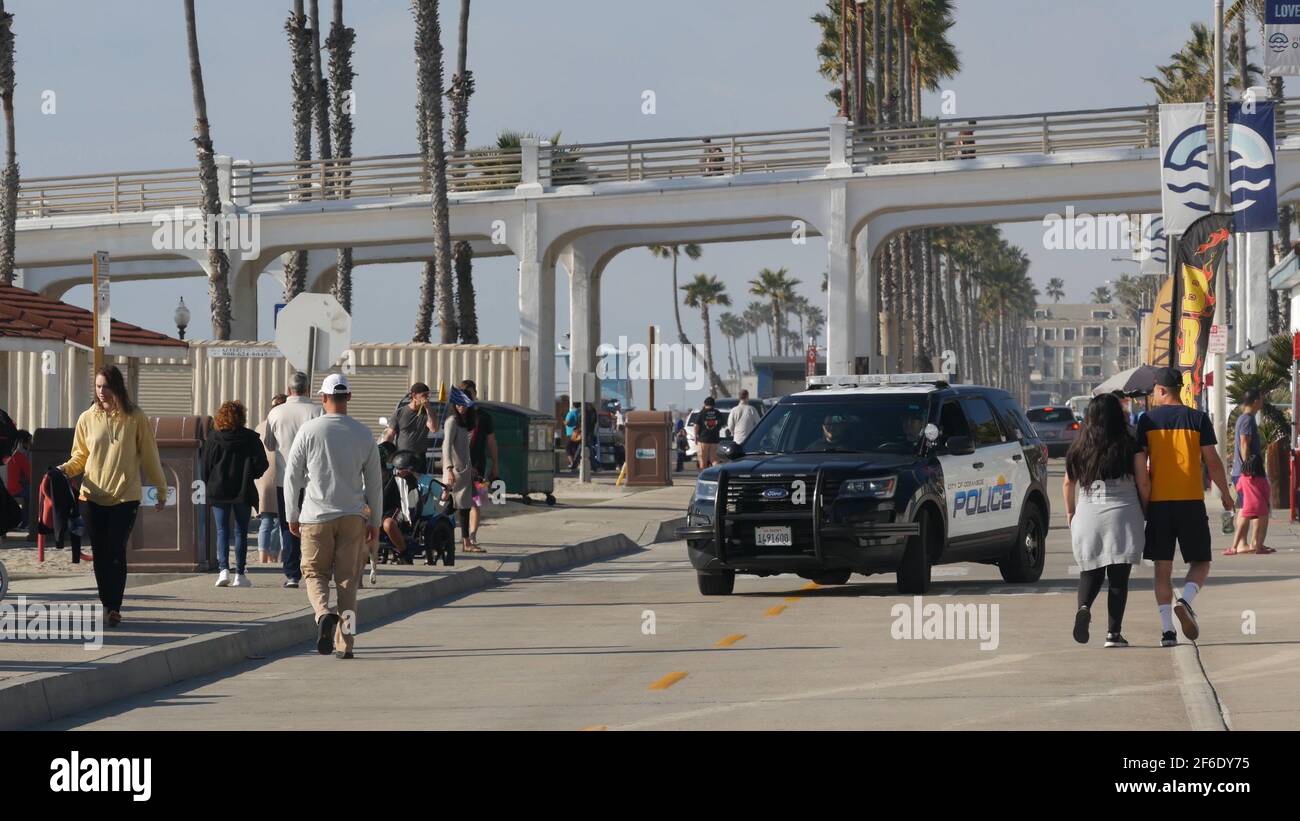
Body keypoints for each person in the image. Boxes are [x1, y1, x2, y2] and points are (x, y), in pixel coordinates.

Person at [58, 365, 167, 628]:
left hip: (124, 496)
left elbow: (150, 455)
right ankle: (107, 603)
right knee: (100, 552)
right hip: (91, 496)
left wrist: (160, 488)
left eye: (106, 386)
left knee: (115, 550)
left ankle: (114, 605)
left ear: (117, 387)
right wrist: (62, 470)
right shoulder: (87, 418)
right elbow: (80, 456)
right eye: (97, 386)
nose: (101, 392)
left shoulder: (135, 417)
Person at [284, 374, 382, 660]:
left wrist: (292, 512)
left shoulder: (309, 430)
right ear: (348, 398)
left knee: (315, 573)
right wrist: (375, 522)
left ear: (323, 398)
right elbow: (374, 484)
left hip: (315, 515)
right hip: (352, 516)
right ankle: (346, 642)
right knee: (348, 583)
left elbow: (292, 475)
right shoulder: (364, 434)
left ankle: (323, 614)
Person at [1136, 366, 1234, 647]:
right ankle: (1186, 600)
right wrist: (1226, 494)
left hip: (1159, 504)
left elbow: (1141, 466)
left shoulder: (1147, 421)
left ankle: (1167, 631)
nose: (1154, 394)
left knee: (1162, 569)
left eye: (1155, 389)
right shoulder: (1198, 419)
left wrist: (1145, 501)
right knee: (1201, 562)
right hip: (1191, 502)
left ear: (1163, 390)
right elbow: (1212, 461)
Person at [1063, 394, 1149, 648]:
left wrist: (1070, 513)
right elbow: (1143, 482)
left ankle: (1084, 607)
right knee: (1118, 579)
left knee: (1090, 571)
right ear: (1118, 415)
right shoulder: (1130, 444)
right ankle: (1113, 634)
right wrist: (1147, 510)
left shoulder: (1079, 448)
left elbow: (1068, 483)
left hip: (1089, 514)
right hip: (1123, 514)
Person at [263, 372, 323, 589]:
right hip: (312, 480)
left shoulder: (276, 413)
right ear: (307, 389)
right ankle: (312, 568)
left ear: (289, 390)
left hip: (284, 479)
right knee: (312, 526)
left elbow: (269, 445)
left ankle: (291, 574)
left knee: (288, 526)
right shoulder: (318, 411)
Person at [203, 401, 269, 587]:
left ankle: (223, 571)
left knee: (222, 531)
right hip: (243, 489)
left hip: (218, 489)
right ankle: (240, 573)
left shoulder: (213, 438)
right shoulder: (250, 438)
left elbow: (205, 466)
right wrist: (250, 474)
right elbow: (262, 464)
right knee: (241, 532)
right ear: (242, 416)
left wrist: (211, 481)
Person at [1227, 389, 1274, 556]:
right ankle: (1241, 544)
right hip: (1247, 472)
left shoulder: (1247, 419)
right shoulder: (1246, 420)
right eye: (1261, 399)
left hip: (1245, 471)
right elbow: (1244, 443)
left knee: (1251, 508)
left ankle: (1253, 543)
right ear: (1255, 401)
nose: (1262, 401)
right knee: (1247, 509)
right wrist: (1249, 468)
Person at [459, 380, 498, 548]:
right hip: (459, 466)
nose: (467, 396)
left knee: (477, 502)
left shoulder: (484, 416)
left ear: (475, 393)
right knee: (459, 503)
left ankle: (472, 535)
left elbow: (491, 442)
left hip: (479, 465)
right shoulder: (455, 416)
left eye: (469, 392)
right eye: (463, 392)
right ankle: (464, 535)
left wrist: (496, 464)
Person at [442, 387, 479, 554]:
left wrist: (471, 468)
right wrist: (449, 469)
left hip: (464, 471)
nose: (461, 406)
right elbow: (446, 446)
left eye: (464, 403)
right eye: (457, 403)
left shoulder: (464, 423)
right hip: (455, 472)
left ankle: (457, 541)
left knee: (458, 507)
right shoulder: (452, 421)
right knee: (458, 507)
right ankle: (464, 542)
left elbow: (465, 449)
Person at [255, 394, 286, 563]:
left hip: (264, 480)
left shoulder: (260, 427)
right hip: (282, 478)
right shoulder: (286, 425)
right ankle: (282, 556)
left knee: (266, 522)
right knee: (283, 523)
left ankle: (263, 558)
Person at [383, 382, 436, 472]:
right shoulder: (400, 413)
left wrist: (428, 409)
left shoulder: (428, 412)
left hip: (419, 457)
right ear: (414, 396)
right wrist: (385, 453)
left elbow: (434, 428)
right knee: (403, 485)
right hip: (402, 456)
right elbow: (390, 434)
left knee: (420, 484)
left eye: (428, 395)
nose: (426, 398)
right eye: (424, 395)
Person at [4, 430, 32, 529]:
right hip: (17, 488)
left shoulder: (11, 455)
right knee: (33, 495)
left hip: (11, 487)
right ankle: (26, 522)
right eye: (29, 441)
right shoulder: (20, 457)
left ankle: (24, 521)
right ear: (22, 442)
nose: (30, 444)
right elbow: (30, 476)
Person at [694, 397, 724, 468]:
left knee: (703, 460)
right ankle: (715, 474)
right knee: (714, 460)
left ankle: (704, 476)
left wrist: (695, 436)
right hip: (715, 439)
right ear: (714, 404)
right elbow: (721, 424)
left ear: (705, 404)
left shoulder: (701, 413)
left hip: (703, 440)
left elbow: (696, 426)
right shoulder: (717, 413)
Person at [564, 403, 581, 471]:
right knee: (575, 449)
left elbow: (567, 422)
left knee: (568, 448)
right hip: (578, 433)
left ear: (573, 406)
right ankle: (576, 464)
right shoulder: (580, 413)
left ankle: (572, 463)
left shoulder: (571, 413)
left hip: (571, 433)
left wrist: (565, 422)